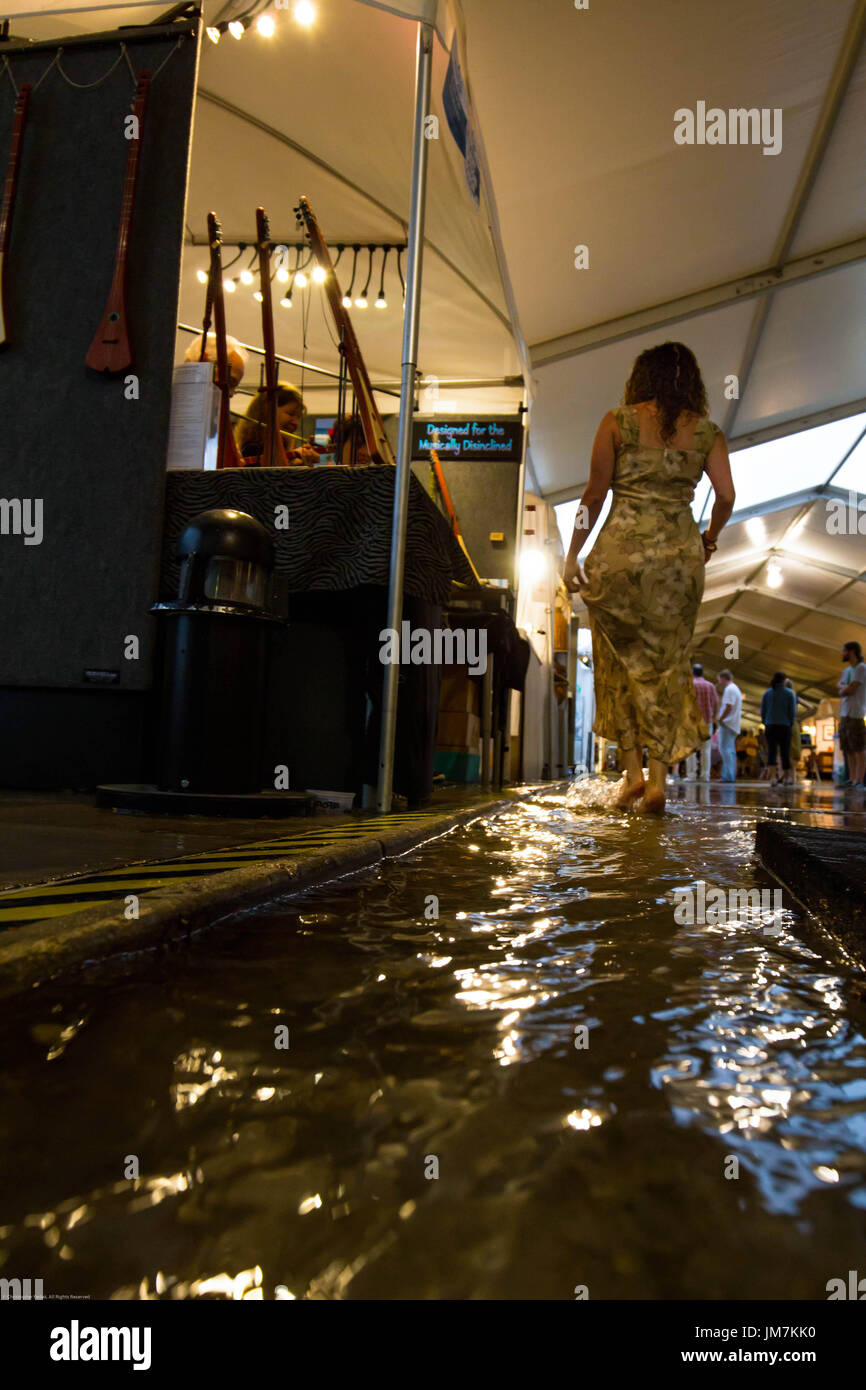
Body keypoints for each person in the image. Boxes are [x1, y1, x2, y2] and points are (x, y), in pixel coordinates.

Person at [563, 341, 735, 813]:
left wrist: (571, 554)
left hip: (619, 558)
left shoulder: (617, 422)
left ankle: (632, 773)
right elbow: (725, 495)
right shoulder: (708, 433)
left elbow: (594, 496)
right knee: (668, 666)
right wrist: (710, 538)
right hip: (679, 562)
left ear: (642, 378)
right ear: (692, 382)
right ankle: (658, 781)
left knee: (618, 663)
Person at [234, 382, 320, 466]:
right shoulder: (253, 449)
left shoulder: (281, 448)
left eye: (298, 417)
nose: (295, 422)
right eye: (291, 414)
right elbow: (271, 477)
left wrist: (301, 463)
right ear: (268, 411)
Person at [837, 640, 866, 788]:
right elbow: (841, 687)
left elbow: (851, 689)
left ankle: (860, 778)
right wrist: (844, 688)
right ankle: (852, 777)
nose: (842, 654)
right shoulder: (846, 671)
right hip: (845, 713)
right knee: (847, 747)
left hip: (856, 713)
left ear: (851, 651)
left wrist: (844, 689)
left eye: (844, 651)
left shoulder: (861, 668)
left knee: (858, 748)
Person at [760, 671, 796, 786]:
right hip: (785, 726)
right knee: (785, 752)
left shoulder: (767, 694)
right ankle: (787, 777)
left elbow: (763, 711)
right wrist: (790, 723)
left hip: (770, 725)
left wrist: (765, 722)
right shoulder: (790, 693)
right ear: (784, 680)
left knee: (772, 752)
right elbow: (792, 712)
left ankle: (772, 778)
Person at [685, 663, 719, 780]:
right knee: (706, 749)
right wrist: (713, 718)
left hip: (692, 720)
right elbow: (715, 703)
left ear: (692, 673)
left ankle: (691, 775)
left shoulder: (689, 685)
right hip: (707, 721)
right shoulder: (710, 686)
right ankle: (705, 775)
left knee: (691, 749)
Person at [716, 669, 742, 783]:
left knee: (725, 750)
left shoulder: (729, 689)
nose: (719, 682)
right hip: (733, 724)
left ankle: (728, 776)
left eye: (719, 680)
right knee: (730, 750)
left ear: (723, 678)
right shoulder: (736, 689)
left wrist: (720, 718)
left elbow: (728, 706)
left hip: (728, 723)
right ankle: (729, 774)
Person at [785, 677, 801, 782]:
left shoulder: (784, 695)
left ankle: (787, 776)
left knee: (786, 750)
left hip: (785, 723)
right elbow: (811, 707)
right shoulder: (795, 696)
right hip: (794, 723)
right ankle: (793, 775)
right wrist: (799, 717)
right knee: (794, 750)